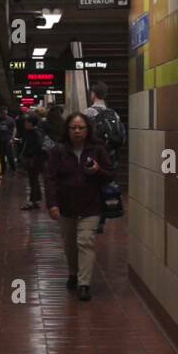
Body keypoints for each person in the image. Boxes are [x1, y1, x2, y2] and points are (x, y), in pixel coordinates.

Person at [45, 112, 115, 301]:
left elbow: (110, 175)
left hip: (91, 205)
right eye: (73, 128)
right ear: (67, 130)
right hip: (65, 206)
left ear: (87, 129)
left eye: (81, 128)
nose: (77, 131)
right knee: (69, 244)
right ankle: (73, 273)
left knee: (85, 241)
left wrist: (98, 170)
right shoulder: (57, 151)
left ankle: (84, 284)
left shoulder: (97, 149)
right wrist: (52, 204)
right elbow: (50, 179)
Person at [84, 82, 125, 233]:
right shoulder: (114, 113)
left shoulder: (89, 112)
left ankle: (92, 218)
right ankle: (102, 218)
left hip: (94, 155)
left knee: (91, 186)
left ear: (93, 94)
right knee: (105, 185)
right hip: (111, 156)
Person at [18, 111, 46, 210]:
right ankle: (36, 200)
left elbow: (37, 147)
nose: (25, 124)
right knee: (34, 181)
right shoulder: (33, 132)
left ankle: (32, 202)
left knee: (33, 181)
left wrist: (28, 155)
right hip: (34, 160)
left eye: (26, 122)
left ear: (30, 123)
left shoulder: (35, 133)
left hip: (34, 161)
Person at [0, 106, 16, 176]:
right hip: (0, 141)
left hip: (8, 141)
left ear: (7, 111)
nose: (3, 113)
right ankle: (3, 170)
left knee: (10, 156)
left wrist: (12, 138)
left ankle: (13, 170)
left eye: (5, 112)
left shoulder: (10, 119)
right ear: (0, 113)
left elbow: (14, 129)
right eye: (2, 112)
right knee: (1, 157)